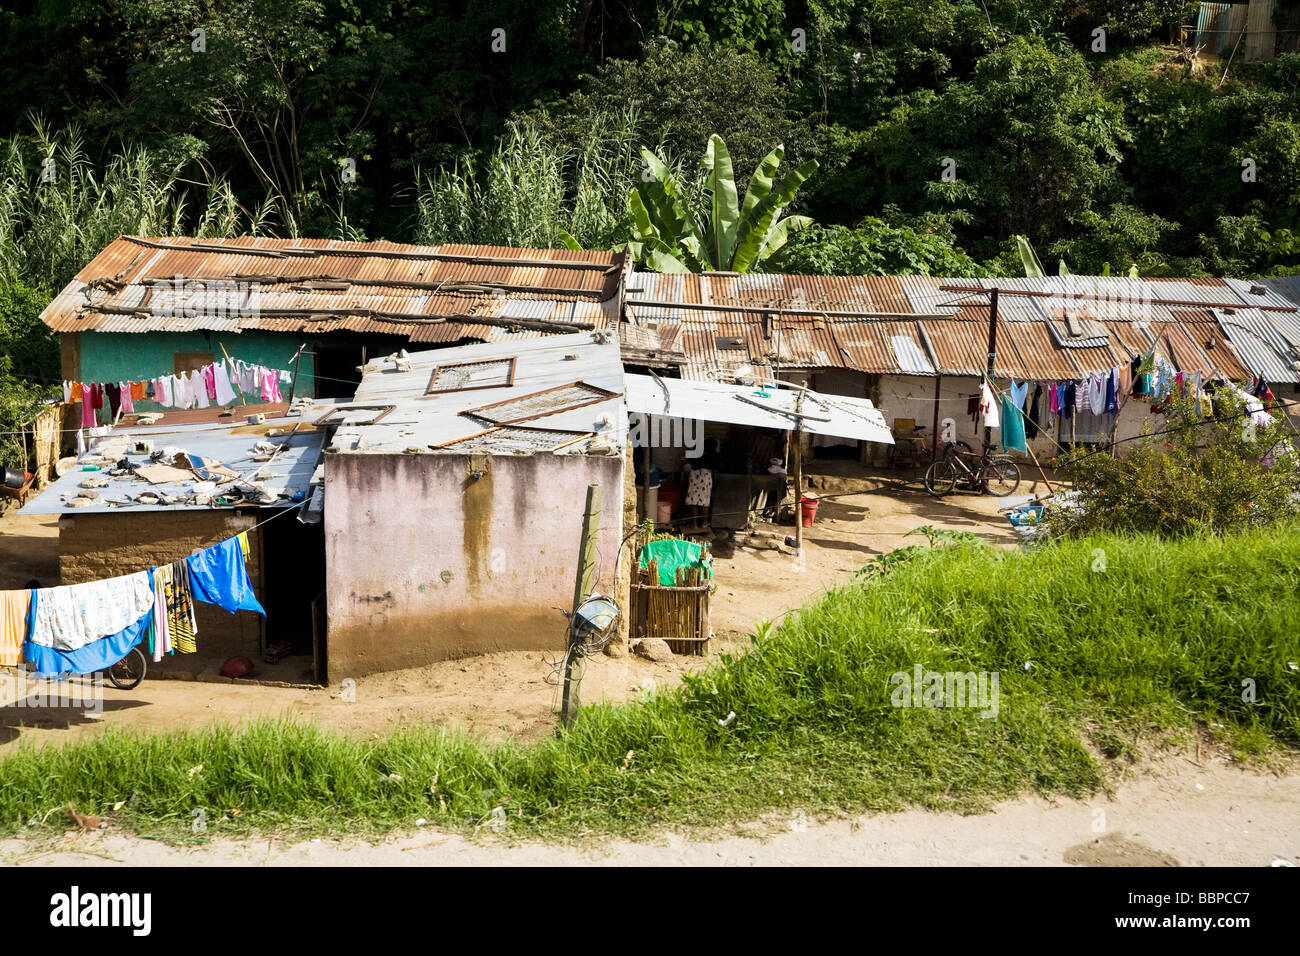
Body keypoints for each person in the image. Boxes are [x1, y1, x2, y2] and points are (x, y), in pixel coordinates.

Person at [684, 439, 722, 531]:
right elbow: (718, 467)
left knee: (694, 500)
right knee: (705, 501)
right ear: (714, 447)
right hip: (705, 477)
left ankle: (694, 524)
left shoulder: (696, 453)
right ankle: (704, 523)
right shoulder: (714, 455)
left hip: (694, 475)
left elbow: (686, 461)